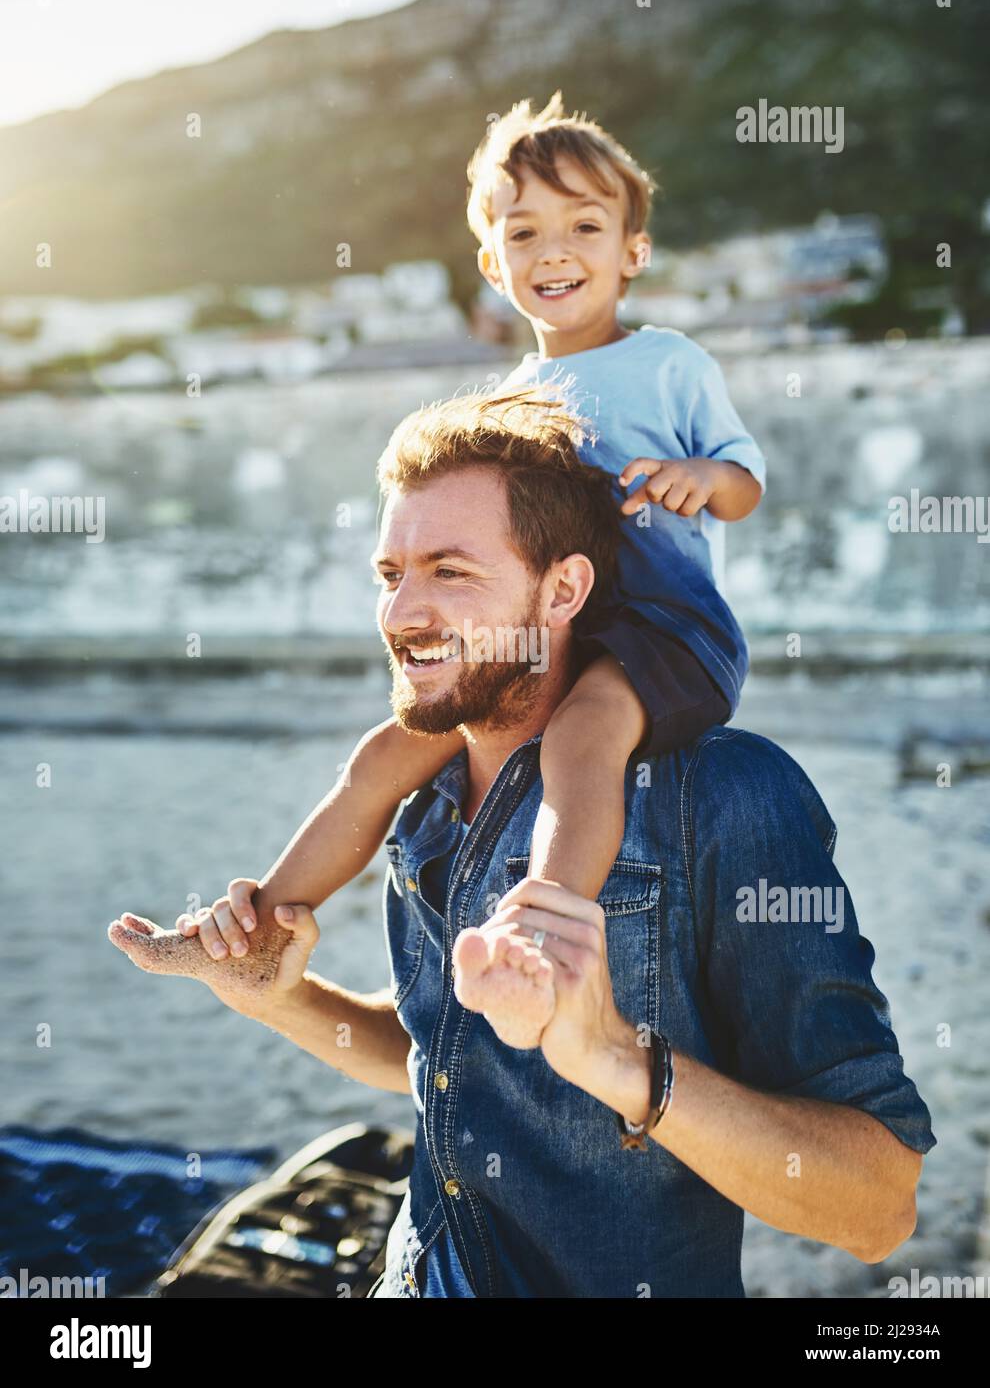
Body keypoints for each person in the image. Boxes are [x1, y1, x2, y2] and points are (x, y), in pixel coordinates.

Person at [109, 387, 935, 1298]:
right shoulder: (422, 794)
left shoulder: (728, 795)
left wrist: (619, 1062)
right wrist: (278, 997)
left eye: (450, 572)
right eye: (391, 575)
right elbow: (444, 1057)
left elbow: (877, 1205)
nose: (400, 615)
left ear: (565, 589)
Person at [105, 94, 765, 1055]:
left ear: (633, 252)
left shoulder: (670, 363)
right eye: (525, 231)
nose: (555, 251)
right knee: (385, 755)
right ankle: (255, 930)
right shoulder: (508, 401)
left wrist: (698, 478)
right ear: (494, 265)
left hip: (666, 632)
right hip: (545, 632)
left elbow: (745, 483)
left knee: (585, 736)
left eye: (586, 226)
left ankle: (542, 923)